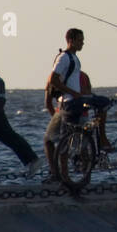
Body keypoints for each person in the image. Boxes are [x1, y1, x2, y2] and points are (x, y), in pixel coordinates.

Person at [44, 29, 85, 181]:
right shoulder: (64, 58)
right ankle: (59, 175)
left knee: (63, 141)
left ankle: (62, 176)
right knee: (53, 140)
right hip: (67, 104)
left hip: (69, 104)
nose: (83, 43)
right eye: (80, 40)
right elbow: (53, 79)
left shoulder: (75, 58)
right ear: (71, 40)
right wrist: (72, 92)